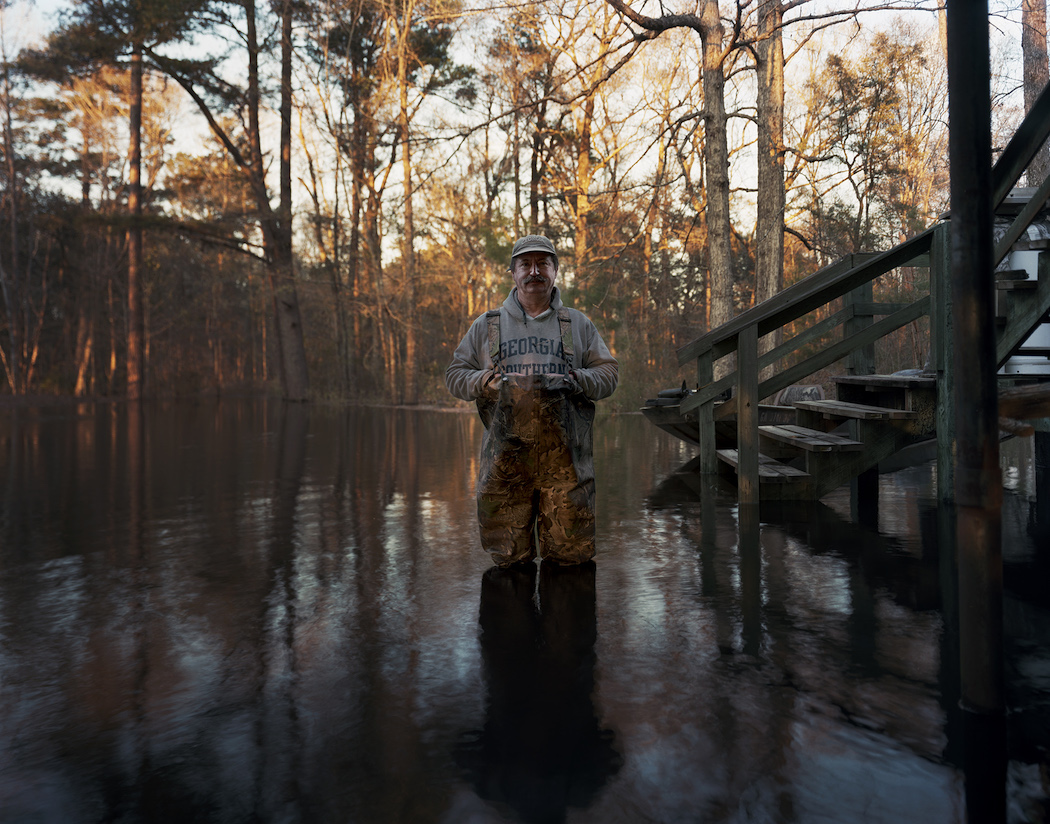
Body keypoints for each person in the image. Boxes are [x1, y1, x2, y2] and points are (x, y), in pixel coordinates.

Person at [445, 235, 618, 567]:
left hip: (568, 475)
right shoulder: (487, 325)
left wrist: (579, 379)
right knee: (508, 569)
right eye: (525, 264)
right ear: (513, 272)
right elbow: (455, 375)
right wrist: (483, 381)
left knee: (571, 564)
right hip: (505, 475)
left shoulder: (577, 324)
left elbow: (609, 374)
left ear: (555, 270)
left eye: (543, 263)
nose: (534, 271)